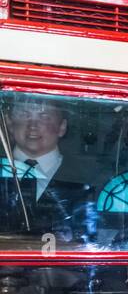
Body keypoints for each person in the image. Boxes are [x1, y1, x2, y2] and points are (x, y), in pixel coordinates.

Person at [0, 96, 96, 245]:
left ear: (62, 127)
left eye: (44, 116)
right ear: (9, 122)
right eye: (24, 115)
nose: (33, 125)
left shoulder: (88, 179)